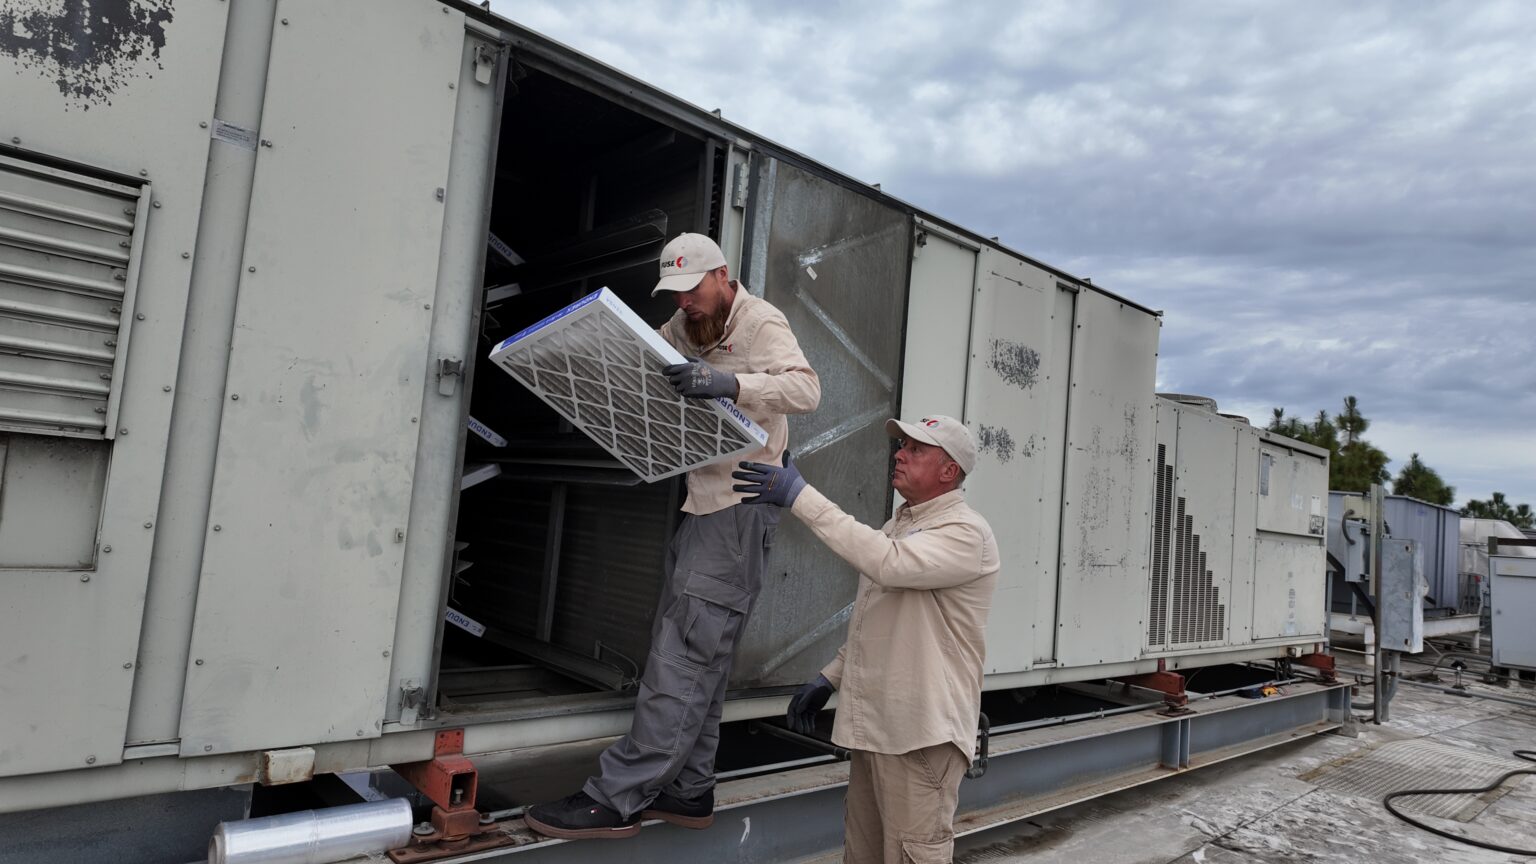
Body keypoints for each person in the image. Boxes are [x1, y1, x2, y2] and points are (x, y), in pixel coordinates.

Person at [525, 233, 821, 840]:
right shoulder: (688, 323)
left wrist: (732, 385)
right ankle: (689, 791)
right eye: (675, 294)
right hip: (704, 505)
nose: (683, 303)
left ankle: (619, 796)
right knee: (701, 657)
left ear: (721, 276)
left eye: (691, 291)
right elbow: (643, 361)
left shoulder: (761, 322)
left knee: (682, 656)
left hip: (740, 506)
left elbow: (806, 389)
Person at [732, 415, 999, 863]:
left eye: (916, 449)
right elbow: (880, 617)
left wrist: (800, 496)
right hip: (881, 730)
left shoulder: (966, 533)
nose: (899, 453)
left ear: (949, 471)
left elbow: (887, 564)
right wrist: (830, 678)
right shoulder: (901, 526)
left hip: (921, 739)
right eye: (902, 445)